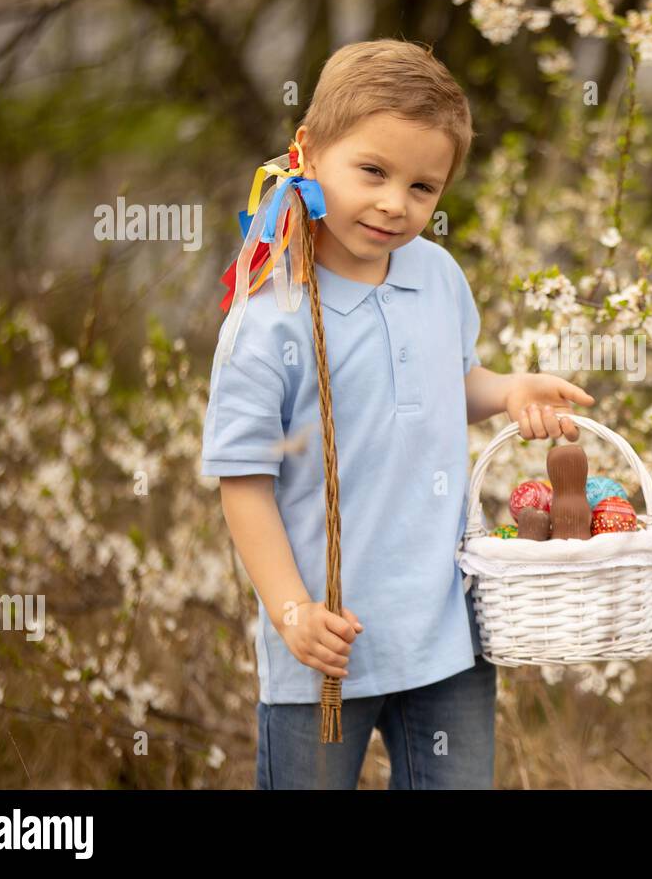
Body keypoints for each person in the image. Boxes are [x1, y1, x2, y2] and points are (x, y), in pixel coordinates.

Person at [200, 39, 595, 789]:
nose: (394, 204)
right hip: (325, 645)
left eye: (423, 187)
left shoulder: (437, 275)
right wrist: (292, 612)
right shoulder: (272, 313)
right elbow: (242, 479)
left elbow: (453, 382)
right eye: (372, 172)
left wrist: (507, 390)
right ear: (309, 153)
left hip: (446, 635)